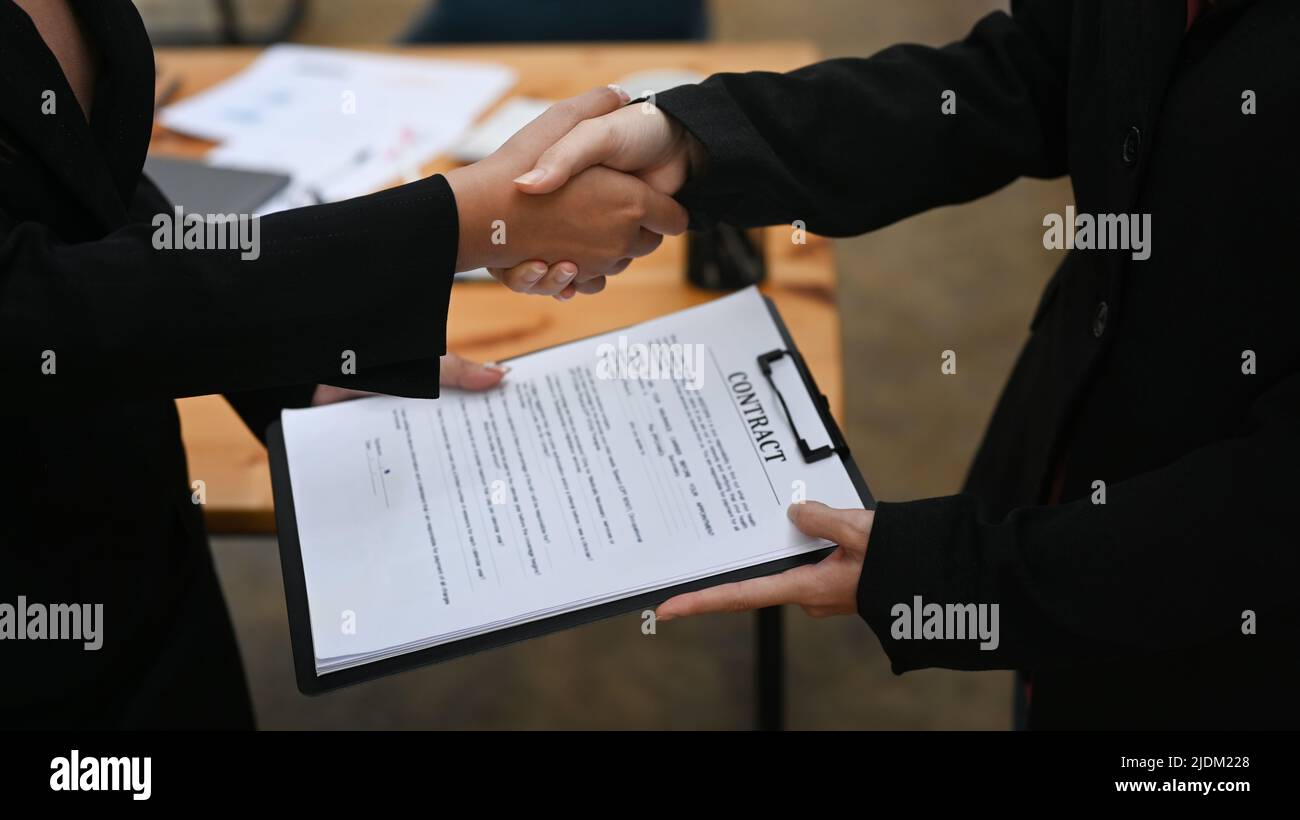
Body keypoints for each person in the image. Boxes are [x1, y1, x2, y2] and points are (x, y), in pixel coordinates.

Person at [515, 0, 1300, 729]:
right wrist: (705, 141)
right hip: (1071, 456)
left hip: (1218, 629)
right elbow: (1028, 75)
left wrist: (952, 575)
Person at [0, 0, 684, 728]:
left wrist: (298, 367)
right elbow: (30, 303)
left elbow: (92, 196)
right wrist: (463, 221)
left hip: (139, 538)